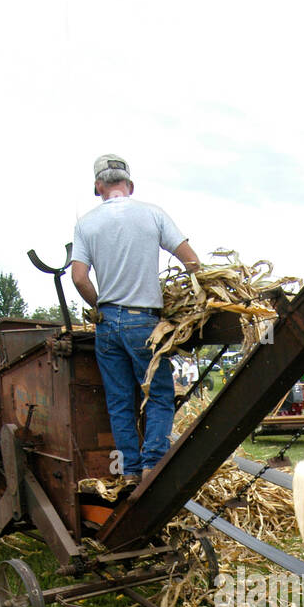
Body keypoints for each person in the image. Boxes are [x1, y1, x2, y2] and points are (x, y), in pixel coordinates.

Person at [71, 154, 201, 488]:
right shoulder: (153, 214)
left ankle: (129, 472)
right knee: (158, 395)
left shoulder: (86, 224)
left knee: (119, 401)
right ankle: (152, 466)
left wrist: (98, 306)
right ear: (129, 185)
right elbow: (192, 262)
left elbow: (79, 278)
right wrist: (195, 300)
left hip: (107, 323)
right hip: (144, 321)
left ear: (98, 186)